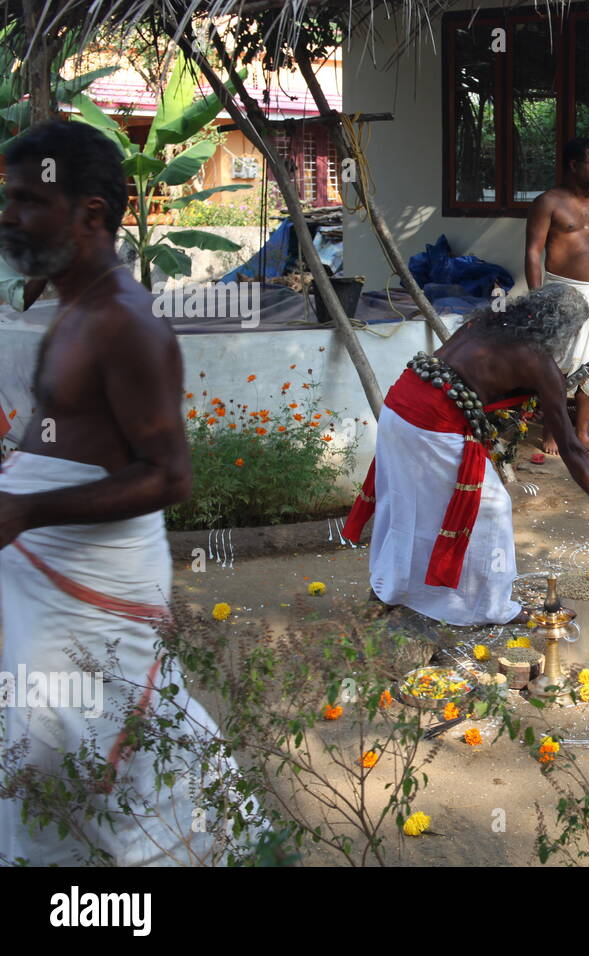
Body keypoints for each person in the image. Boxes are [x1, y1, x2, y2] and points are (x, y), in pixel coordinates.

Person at [0, 121, 230, 864]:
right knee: (48, 744)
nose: (8, 216)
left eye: (29, 201)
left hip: (91, 577)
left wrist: (29, 510)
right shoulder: (69, 301)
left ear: (90, 213)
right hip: (44, 565)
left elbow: (170, 476)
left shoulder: (125, 324)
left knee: (71, 742)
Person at [342, 284, 589, 626]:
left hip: (398, 408)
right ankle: (494, 607)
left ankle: (387, 589)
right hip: (432, 425)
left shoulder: (484, 323)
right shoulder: (538, 362)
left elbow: (474, 379)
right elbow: (571, 447)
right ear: (563, 330)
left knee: (405, 501)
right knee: (492, 509)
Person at [525, 137, 589, 460]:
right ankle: (553, 430)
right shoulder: (549, 203)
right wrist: (538, 298)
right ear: (573, 165)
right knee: (558, 364)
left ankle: (582, 433)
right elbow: (533, 251)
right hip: (561, 293)